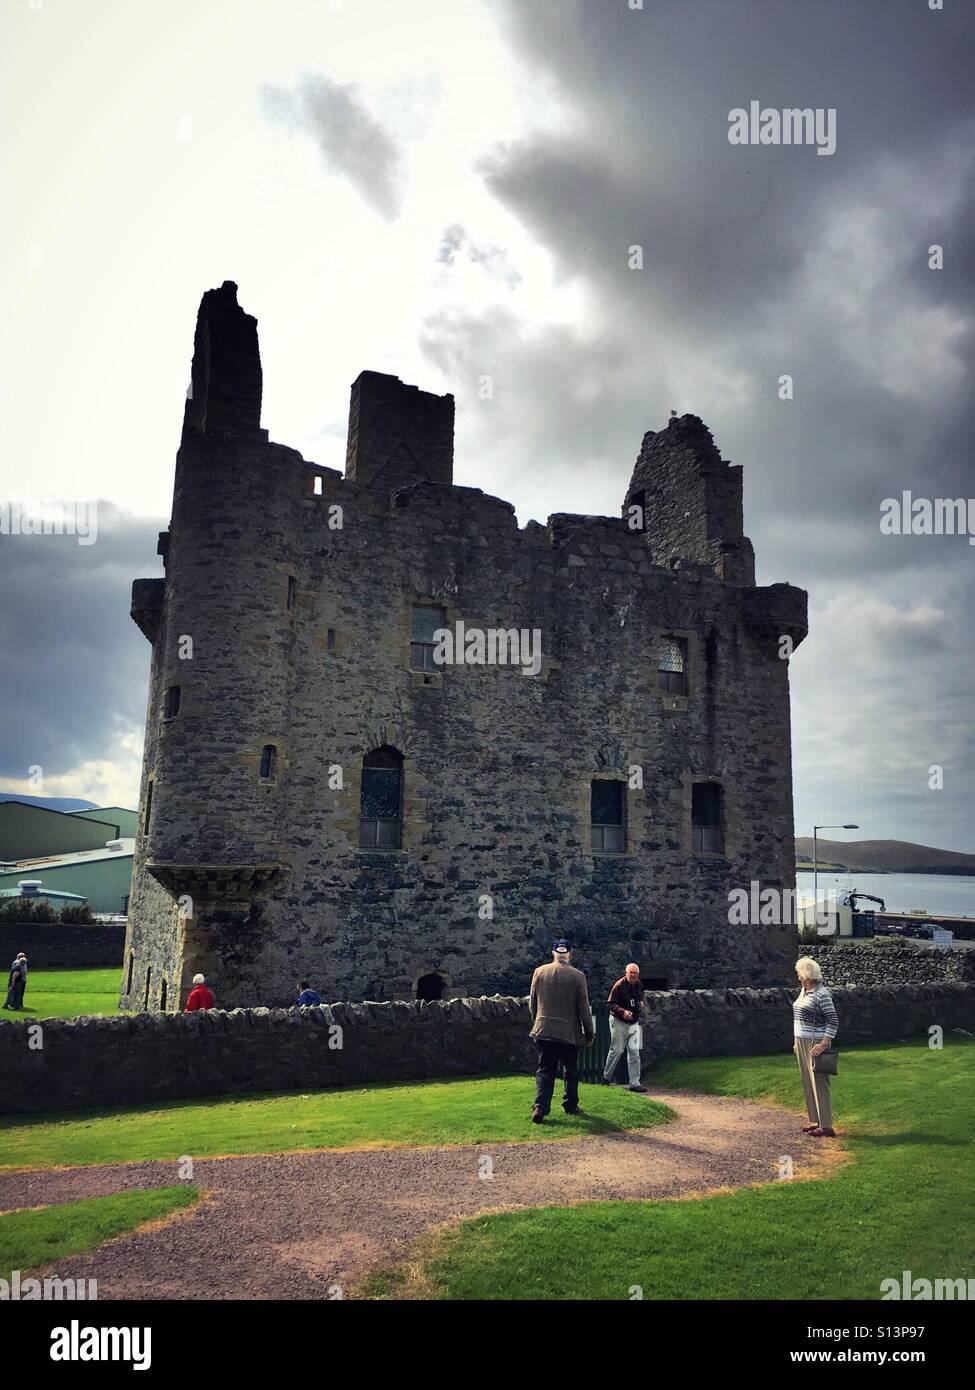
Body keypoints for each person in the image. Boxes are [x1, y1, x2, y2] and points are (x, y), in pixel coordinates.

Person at [528, 938, 594, 1124]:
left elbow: (532, 1003)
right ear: (569, 955)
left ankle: (541, 1106)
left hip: (544, 1030)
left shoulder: (539, 972)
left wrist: (537, 1023)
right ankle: (570, 1104)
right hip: (568, 1033)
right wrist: (589, 1032)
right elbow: (584, 1008)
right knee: (571, 1070)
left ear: (553, 954)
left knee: (545, 1070)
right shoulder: (578, 976)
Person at [793, 956, 838, 1137]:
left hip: (815, 1044)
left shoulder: (821, 994)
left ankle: (826, 1126)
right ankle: (816, 1120)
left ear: (806, 974)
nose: (798, 977)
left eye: (799, 973)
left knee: (819, 1083)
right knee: (808, 1082)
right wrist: (796, 1043)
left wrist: (824, 1044)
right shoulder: (804, 991)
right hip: (801, 1042)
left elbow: (833, 1020)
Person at [603, 962, 647, 1091]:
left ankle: (635, 1083)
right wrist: (623, 1012)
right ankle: (606, 1077)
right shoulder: (619, 986)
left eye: (635, 973)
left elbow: (641, 995)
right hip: (619, 1021)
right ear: (626, 973)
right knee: (617, 1050)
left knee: (634, 1053)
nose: (633, 975)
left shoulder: (639, 984)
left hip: (633, 1022)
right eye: (631, 973)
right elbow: (610, 1004)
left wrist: (641, 1002)